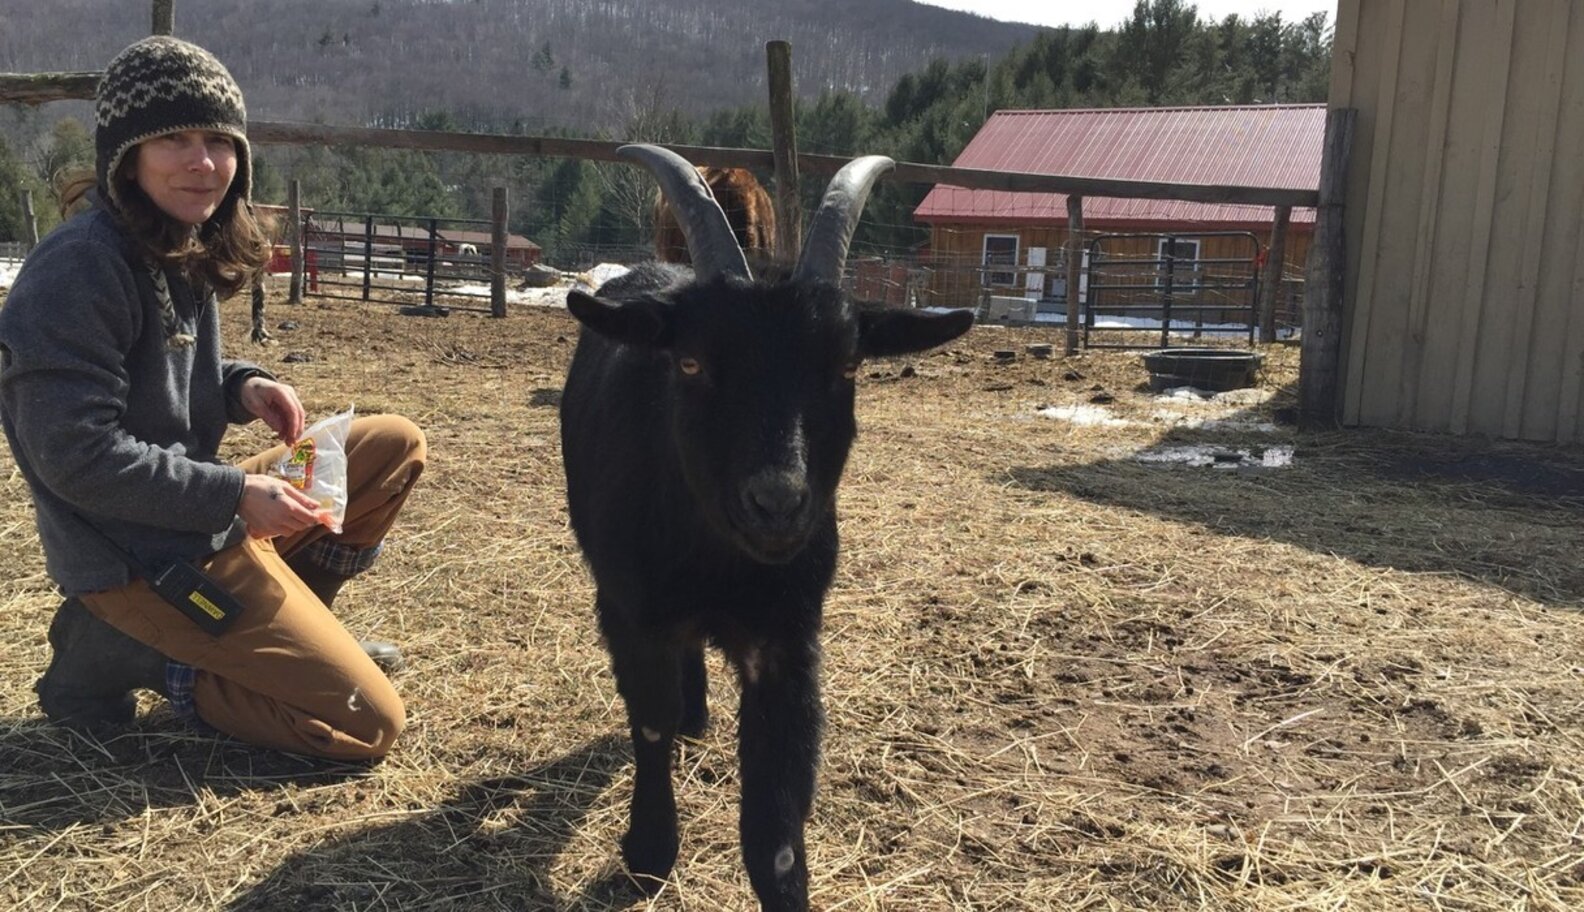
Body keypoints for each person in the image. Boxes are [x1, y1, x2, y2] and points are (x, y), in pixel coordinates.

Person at [0, 36, 426, 761]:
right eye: (172, 139)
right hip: (133, 554)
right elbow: (77, 457)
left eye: (218, 140)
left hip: (189, 517)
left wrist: (242, 385)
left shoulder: (176, 237)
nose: (203, 163)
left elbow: (162, 372)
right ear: (125, 157)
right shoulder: (77, 269)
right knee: (367, 726)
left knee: (390, 448)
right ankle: (125, 652)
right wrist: (233, 495)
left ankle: (287, 634)